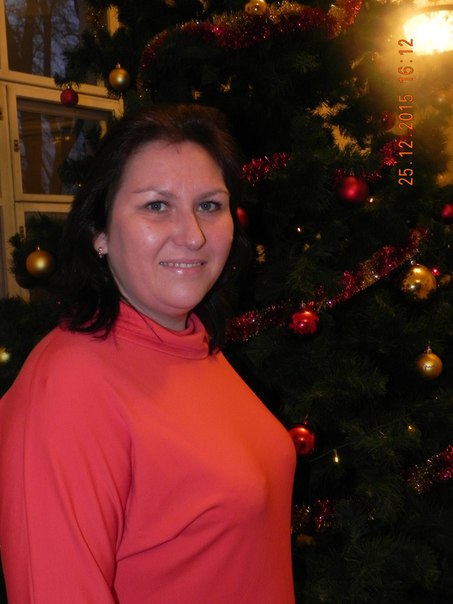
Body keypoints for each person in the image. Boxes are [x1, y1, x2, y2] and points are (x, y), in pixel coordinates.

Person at [0, 104, 296, 603]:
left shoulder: (195, 343)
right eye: (157, 206)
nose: (193, 235)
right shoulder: (69, 384)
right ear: (99, 233)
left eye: (210, 205)